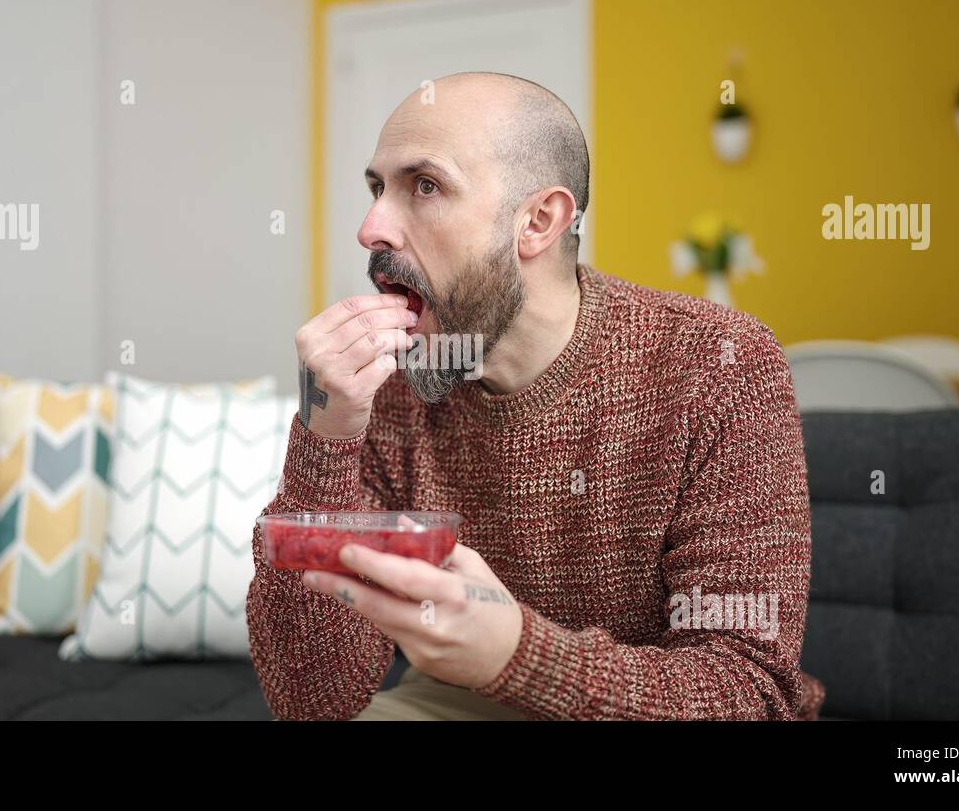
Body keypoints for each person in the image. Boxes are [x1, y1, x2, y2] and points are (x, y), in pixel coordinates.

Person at [247, 71, 825, 721]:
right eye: (378, 189)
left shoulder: (718, 365)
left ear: (539, 220)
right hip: (459, 699)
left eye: (425, 185)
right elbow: (311, 702)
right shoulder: (392, 384)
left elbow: (747, 689)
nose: (371, 227)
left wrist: (517, 654)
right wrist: (327, 437)